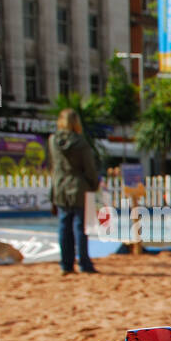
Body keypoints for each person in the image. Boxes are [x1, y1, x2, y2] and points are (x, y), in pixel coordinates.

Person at [49, 108, 100, 275]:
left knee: (64, 226)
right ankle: (84, 263)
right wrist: (93, 185)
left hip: (60, 186)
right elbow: (89, 168)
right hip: (78, 186)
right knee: (80, 227)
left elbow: (54, 167)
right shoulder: (81, 143)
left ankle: (66, 264)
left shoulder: (52, 141)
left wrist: (53, 191)